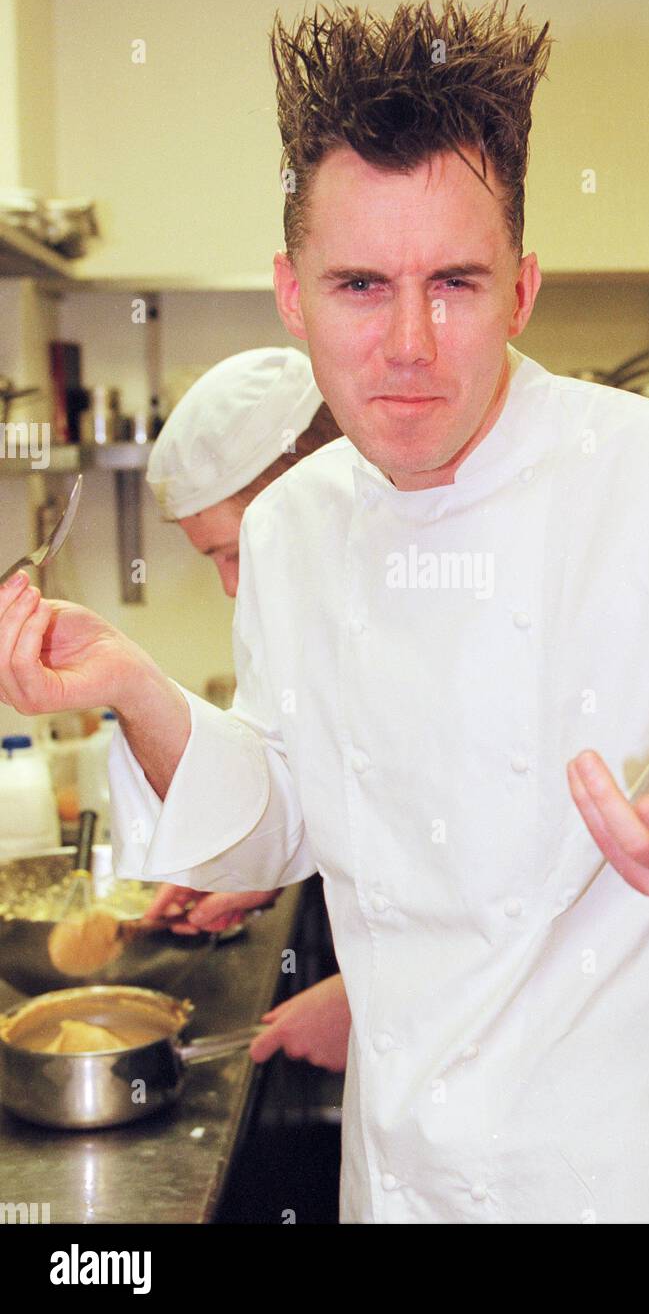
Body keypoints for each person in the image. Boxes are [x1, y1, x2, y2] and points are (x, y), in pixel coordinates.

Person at [0, 0, 649, 1225]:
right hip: (401, 1178)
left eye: (453, 282)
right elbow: (283, 812)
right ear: (290, 294)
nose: (408, 344)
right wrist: (136, 690)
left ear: (519, 289)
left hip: (637, 1186)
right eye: (359, 283)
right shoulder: (295, 523)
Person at [143, 345, 352, 1073]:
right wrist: (255, 864)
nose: (232, 585)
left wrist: (364, 1006)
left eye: (235, 553)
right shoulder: (302, 609)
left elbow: (526, 872)